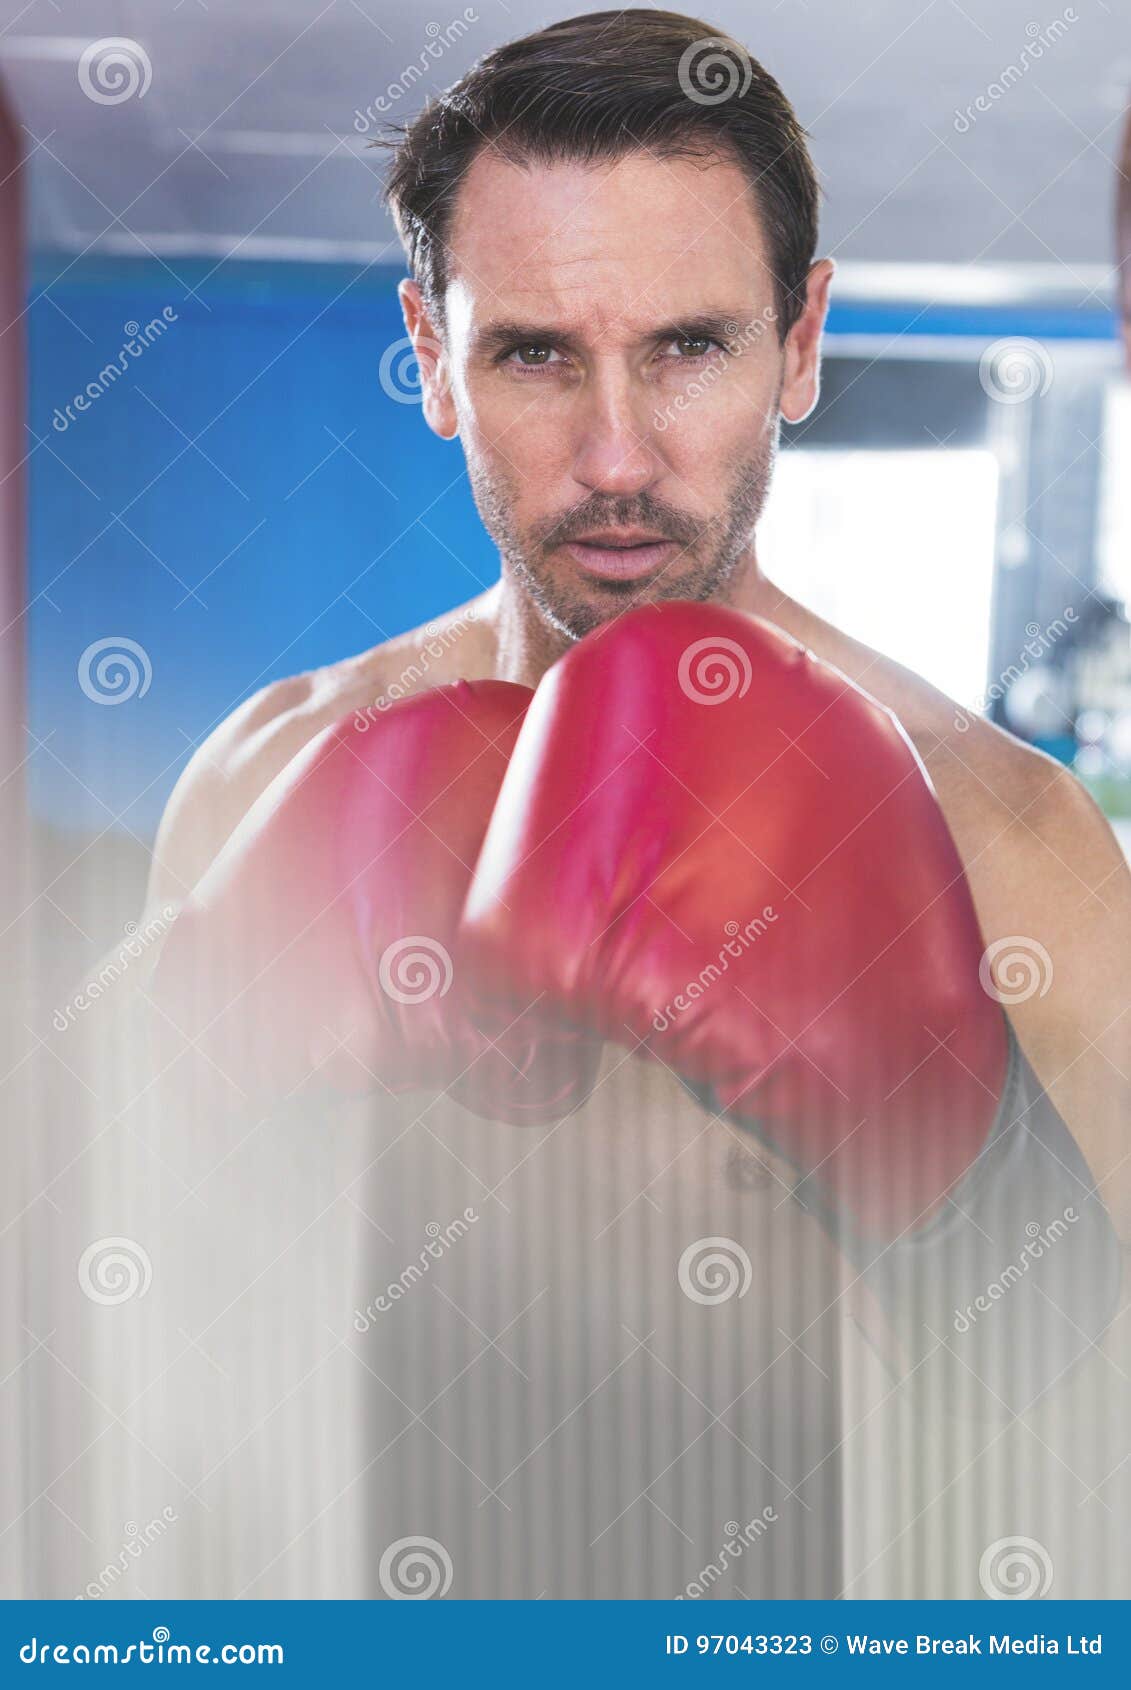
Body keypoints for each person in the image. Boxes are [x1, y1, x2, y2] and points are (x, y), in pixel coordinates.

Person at [139, 11, 1128, 1597]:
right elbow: (140, 1363)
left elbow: (1098, 1474)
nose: (617, 455)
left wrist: (968, 1162)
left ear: (799, 342)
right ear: (432, 356)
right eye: (535, 352)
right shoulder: (272, 774)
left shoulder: (1011, 840)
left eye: (689, 346)